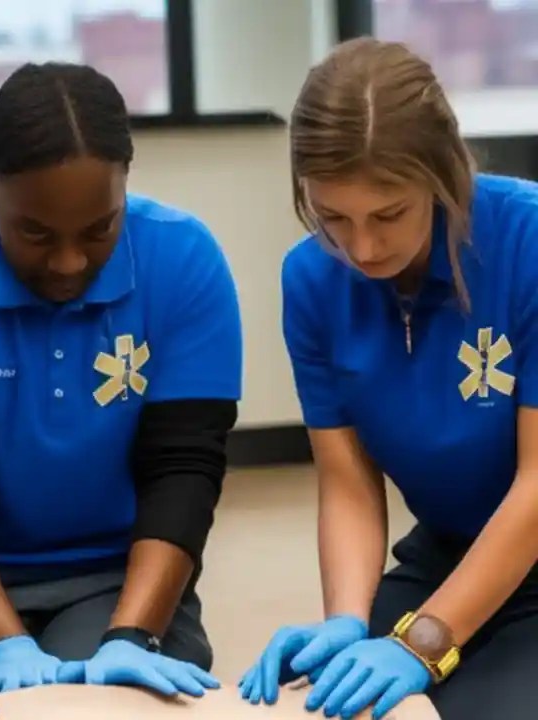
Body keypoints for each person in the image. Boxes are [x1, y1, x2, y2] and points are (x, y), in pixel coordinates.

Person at [0, 62, 244, 701]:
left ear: (127, 183)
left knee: (106, 709)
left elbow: (183, 469)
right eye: (35, 233)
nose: (68, 264)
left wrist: (133, 635)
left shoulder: (183, 259)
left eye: (99, 231)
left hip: (116, 578)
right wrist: (5, 644)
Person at [239, 37, 538, 720]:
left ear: (444, 176)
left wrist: (424, 642)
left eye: (388, 214)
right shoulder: (311, 277)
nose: (361, 248)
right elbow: (347, 483)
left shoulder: (528, 243)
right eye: (333, 217)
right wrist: (346, 618)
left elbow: (537, 484)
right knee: (325, 707)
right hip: (447, 547)